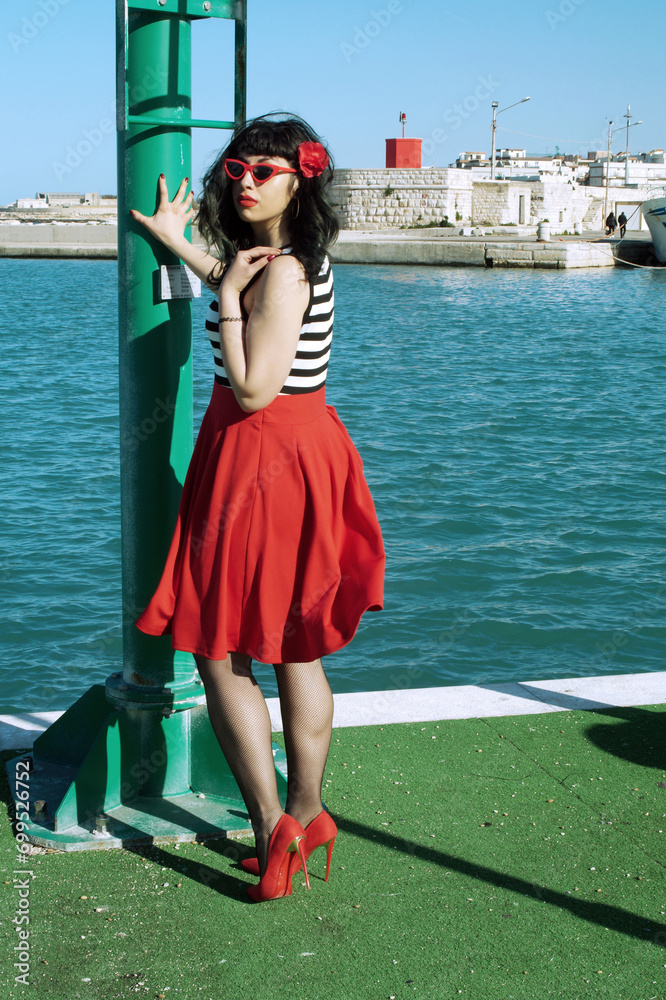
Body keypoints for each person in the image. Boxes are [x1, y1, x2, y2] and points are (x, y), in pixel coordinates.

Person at [128, 114, 385, 902]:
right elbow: (244, 287)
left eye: (264, 172)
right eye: (237, 169)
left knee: (220, 650)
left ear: (300, 180)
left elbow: (252, 387)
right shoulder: (287, 259)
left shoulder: (281, 274)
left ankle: (274, 826)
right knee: (294, 646)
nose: (245, 182)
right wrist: (186, 248)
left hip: (259, 454)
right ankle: (308, 814)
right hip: (299, 451)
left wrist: (231, 296)